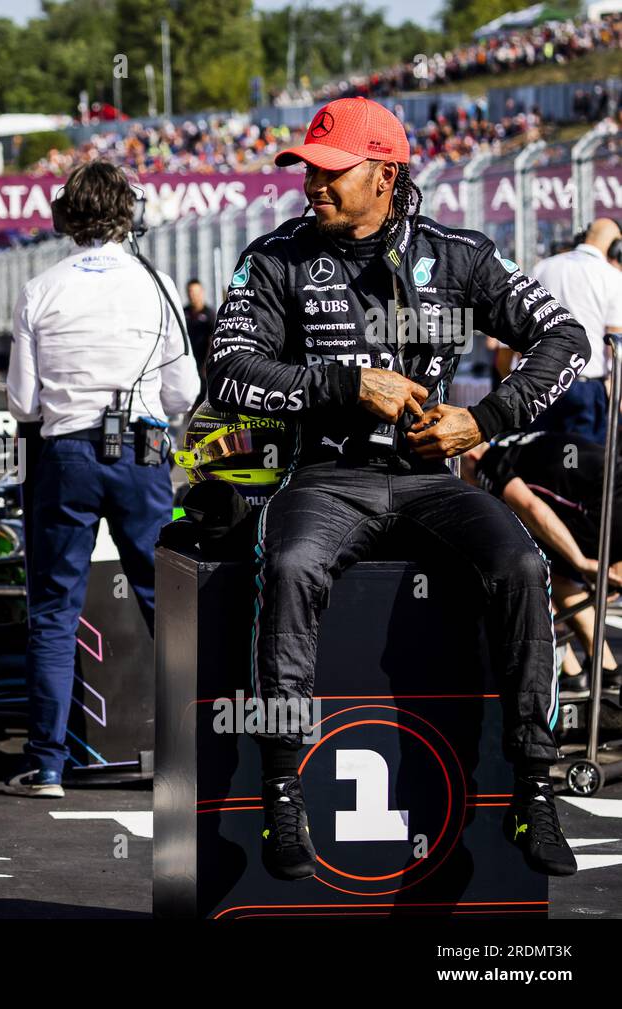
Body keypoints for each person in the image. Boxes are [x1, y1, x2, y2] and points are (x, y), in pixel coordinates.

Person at [206, 97, 590, 879]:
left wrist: (483, 420)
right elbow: (229, 372)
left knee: (521, 565)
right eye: (306, 169)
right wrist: (345, 384)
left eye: (330, 170)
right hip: (326, 476)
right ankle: (281, 785)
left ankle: (535, 786)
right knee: (287, 566)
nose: (312, 183)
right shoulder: (274, 257)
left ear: (385, 173)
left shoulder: (457, 254)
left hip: (430, 480)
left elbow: (567, 340)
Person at [6, 162, 199, 797]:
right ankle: (188, 762)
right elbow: (186, 391)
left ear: (66, 217)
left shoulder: (40, 288)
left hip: (65, 454)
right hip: (142, 452)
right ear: (129, 214)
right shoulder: (158, 283)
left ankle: (48, 764)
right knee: (166, 602)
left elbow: (23, 403)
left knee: (54, 609)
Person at [463, 431, 622, 693]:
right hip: (608, 483)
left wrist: (581, 562)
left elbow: (530, 506)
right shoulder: (514, 441)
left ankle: (584, 669)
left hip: (601, 504)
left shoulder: (488, 461)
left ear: (469, 454)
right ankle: (594, 669)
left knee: (537, 569)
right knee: (553, 571)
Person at [527, 218, 622, 443]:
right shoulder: (612, 277)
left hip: (538, 381)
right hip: (584, 388)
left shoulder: (543, 267)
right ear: (615, 245)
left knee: (538, 459)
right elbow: (616, 345)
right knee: (577, 465)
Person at [183, 277, 214, 404]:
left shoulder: (209, 314)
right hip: (187, 361)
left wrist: (208, 363)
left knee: (200, 396)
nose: (193, 296)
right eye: (190, 292)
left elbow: (213, 339)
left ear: (202, 293)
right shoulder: (184, 312)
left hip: (202, 364)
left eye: (196, 292)